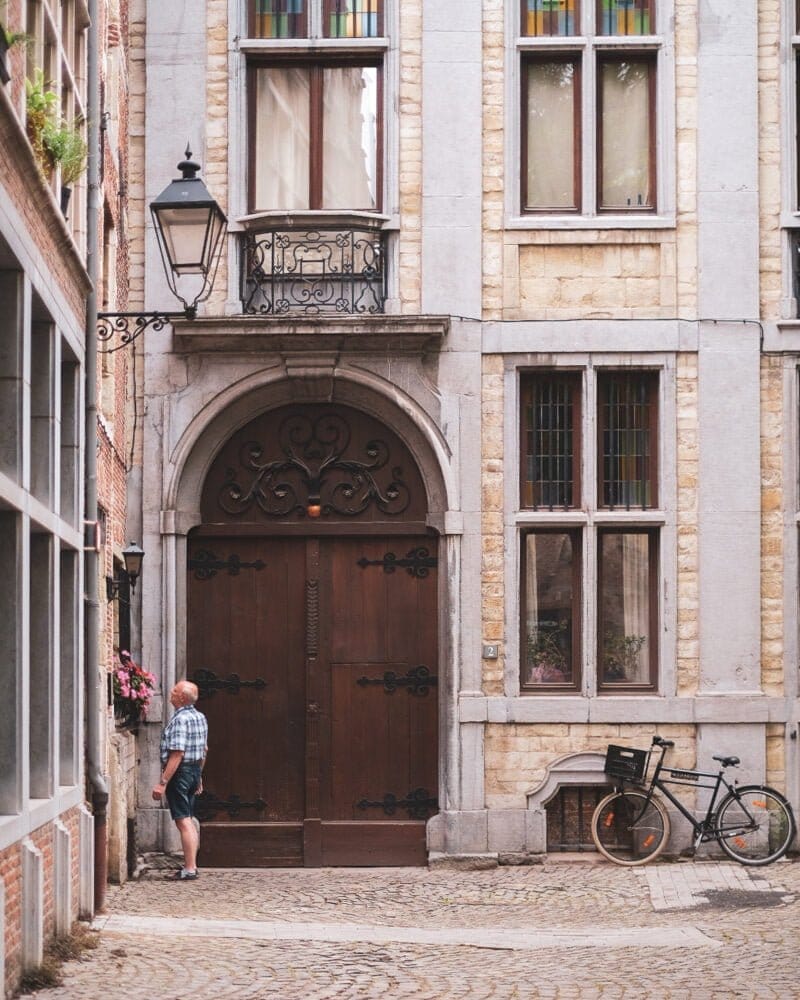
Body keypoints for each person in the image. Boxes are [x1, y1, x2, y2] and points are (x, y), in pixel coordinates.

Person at [152, 680, 208, 881]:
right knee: (188, 819)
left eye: (175, 690)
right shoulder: (200, 717)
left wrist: (163, 782)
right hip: (192, 770)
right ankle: (191, 865)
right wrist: (199, 776)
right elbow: (203, 750)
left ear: (182, 698)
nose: (171, 692)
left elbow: (177, 754)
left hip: (180, 773)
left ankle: (190, 868)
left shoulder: (180, 720)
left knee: (183, 820)